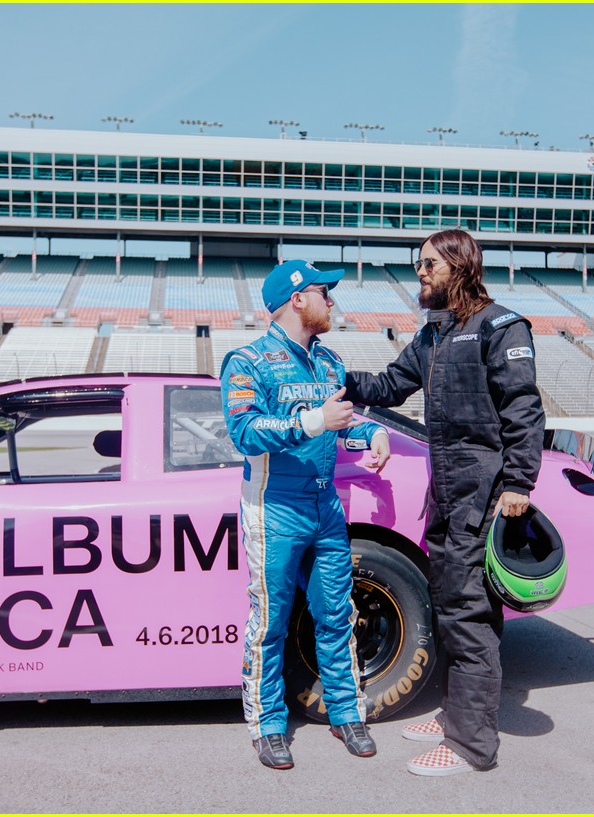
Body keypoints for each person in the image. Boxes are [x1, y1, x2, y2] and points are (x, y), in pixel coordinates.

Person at [343, 229, 545, 776]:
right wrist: (331, 376)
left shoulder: (502, 327)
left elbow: (524, 412)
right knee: (452, 604)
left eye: (429, 264)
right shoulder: (433, 333)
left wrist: (518, 486)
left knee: (468, 613)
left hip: (484, 492)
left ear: (459, 266)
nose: (420, 273)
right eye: (419, 263)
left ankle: (471, 744)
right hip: (446, 491)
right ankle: (457, 710)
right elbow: (387, 386)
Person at [221, 259, 392, 771]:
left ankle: (346, 712)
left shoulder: (330, 362)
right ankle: (267, 725)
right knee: (269, 624)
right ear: (297, 299)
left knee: (336, 616)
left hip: (325, 508)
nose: (332, 300)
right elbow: (244, 433)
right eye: (324, 291)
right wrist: (314, 420)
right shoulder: (246, 361)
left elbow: (341, 425)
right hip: (274, 509)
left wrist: (370, 433)